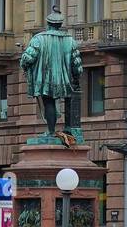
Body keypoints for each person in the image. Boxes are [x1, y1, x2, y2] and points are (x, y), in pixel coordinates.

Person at [19, 10, 83, 139]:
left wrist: (24, 66)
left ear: (48, 24)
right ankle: (69, 129)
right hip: (65, 80)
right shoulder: (70, 40)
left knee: (49, 102)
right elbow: (77, 64)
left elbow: (28, 58)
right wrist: (76, 78)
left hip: (45, 79)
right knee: (69, 100)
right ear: (60, 25)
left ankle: (51, 131)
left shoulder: (38, 39)